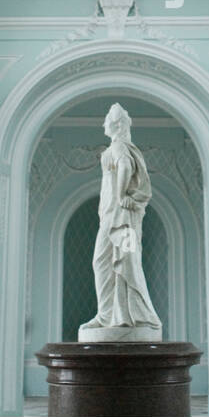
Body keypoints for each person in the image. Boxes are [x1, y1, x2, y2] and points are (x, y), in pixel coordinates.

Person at [79, 103, 162, 339]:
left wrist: (120, 194)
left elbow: (125, 166)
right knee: (113, 261)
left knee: (112, 261)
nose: (103, 124)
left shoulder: (119, 146)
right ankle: (111, 314)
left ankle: (116, 315)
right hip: (112, 214)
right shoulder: (118, 146)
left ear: (115, 124)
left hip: (118, 215)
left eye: (106, 120)